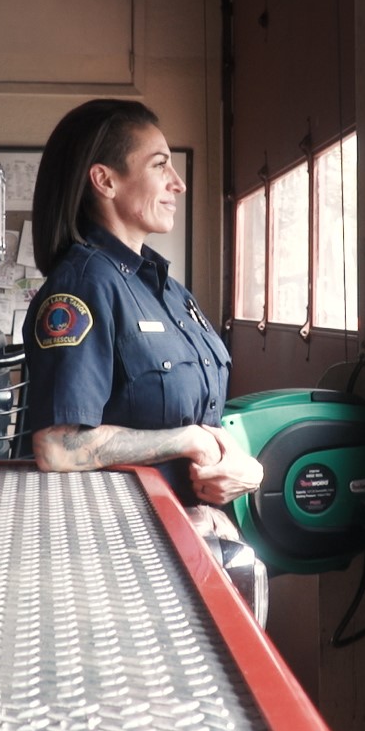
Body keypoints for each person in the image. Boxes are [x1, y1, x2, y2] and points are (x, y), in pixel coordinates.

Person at [22, 99, 263, 512]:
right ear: (105, 180)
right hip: (123, 529)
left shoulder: (169, 292)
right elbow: (58, 447)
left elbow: (205, 422)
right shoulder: (84, 287)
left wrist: (247, 468)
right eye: (160, 166)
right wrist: (187, 440)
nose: (178, 184)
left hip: (192, 523)